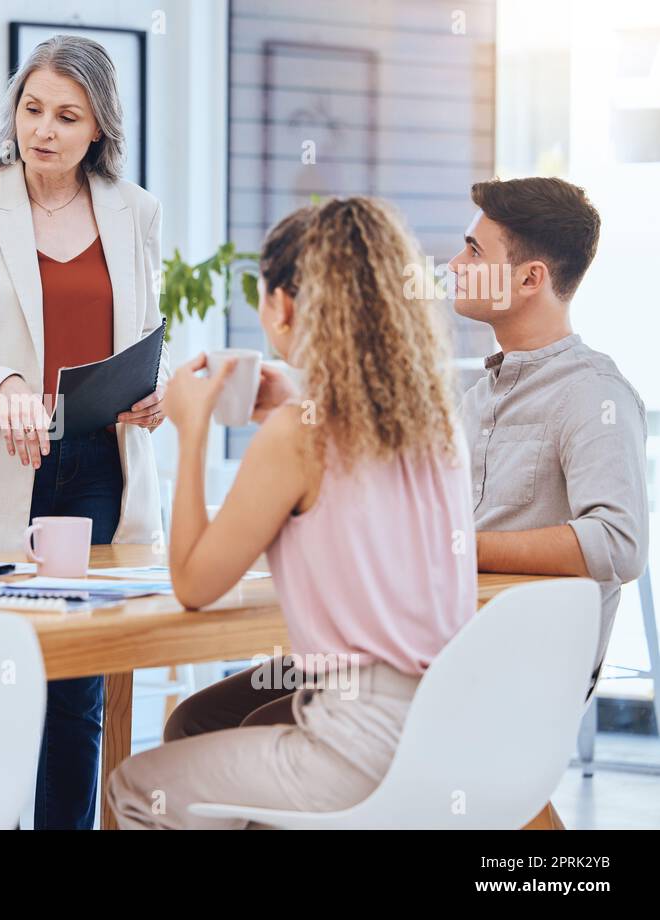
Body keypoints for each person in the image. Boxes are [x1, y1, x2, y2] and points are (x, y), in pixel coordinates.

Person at [107, 198, 477, 829]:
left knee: (137, 786)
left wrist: (192, 432)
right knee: (199, 723)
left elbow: (194, 585)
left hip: (356, 746)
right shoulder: (437, 421)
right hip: (446, 730)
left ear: (282, 306)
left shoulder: (295, 438)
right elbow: (355, 430)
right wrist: (299, 390)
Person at [0, 35, 167, 829]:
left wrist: (150, 394)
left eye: (66, 116)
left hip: (98, 466)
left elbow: (147, 335)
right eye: (32, 109)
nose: (43, 130)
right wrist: (1, 384)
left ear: (99, 129)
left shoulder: (136, 211)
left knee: (73, 684)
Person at [450, 176, 647, 685]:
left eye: (474, 252)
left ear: (529, 279)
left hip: (506, 680)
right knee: (229, 706)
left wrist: (459, 547)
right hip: (438, 647)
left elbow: (619, 544)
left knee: (237, 717)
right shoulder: (478, 400)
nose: (454, 266)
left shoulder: (593, 393)